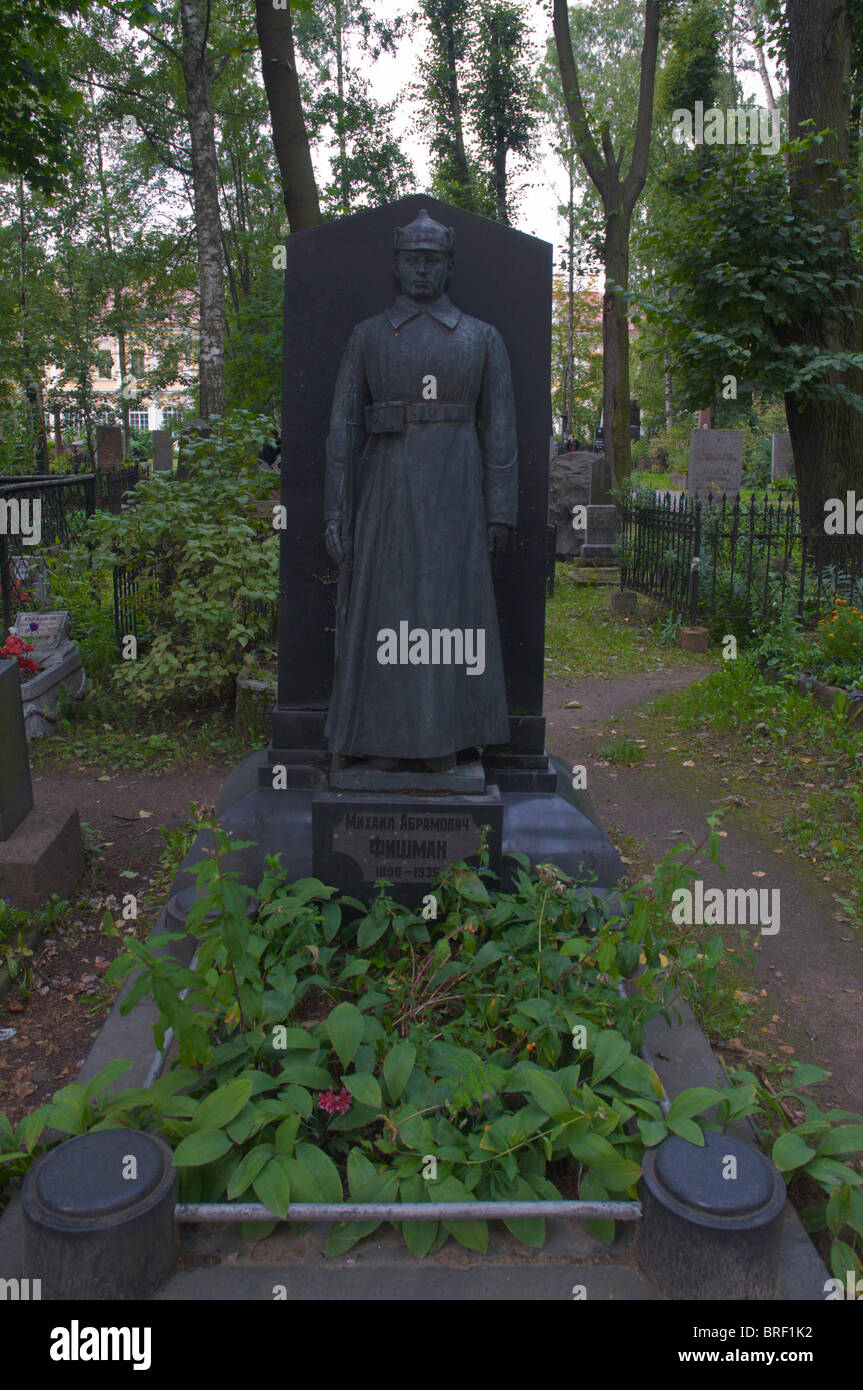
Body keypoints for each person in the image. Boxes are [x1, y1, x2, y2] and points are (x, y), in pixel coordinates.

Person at [323, 209, 518, 772]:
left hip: (457, 493)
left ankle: (448, 737)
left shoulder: (483, 339)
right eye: (413, 259)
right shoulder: (367, 338)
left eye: (433, 260)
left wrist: (499, 510)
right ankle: (384, 737)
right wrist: (336, 509)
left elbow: (500, 428)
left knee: (450, 611)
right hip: (387, 488)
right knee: (387, 611)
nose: (422, 271)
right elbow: (341, 427)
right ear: (396, 264)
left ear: (449, 266)